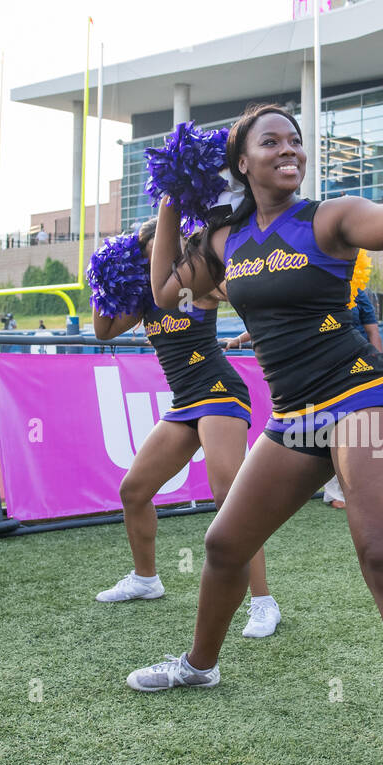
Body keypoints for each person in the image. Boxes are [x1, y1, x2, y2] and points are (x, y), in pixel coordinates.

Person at [130, 103, 383, 765]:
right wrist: (168, 204)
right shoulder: (224, 239)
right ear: (242, 161)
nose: (289, 149)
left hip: (362, 398)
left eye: (296, 141)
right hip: (296, 418)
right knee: (223, 545)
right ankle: (199, 665)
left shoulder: (332, 217)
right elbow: (162, 292)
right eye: (270, 140)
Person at [93, 219, 280, 638]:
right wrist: (102, 279)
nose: (163, 259)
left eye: (169, 248)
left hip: (219, 392)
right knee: (133, 490)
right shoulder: (146, 299)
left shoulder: (200, 281)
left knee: (229, 497)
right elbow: (103, 332)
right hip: (184, 404)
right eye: (153, 253)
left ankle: (263, 602)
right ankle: (146, 579)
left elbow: (249, 298)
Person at [322, 286, 383, 510]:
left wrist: (379, 362)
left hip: (359, 362)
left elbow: (373, 331)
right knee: (333, 424)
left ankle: (364, 485)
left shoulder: (359, 291)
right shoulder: (315, 284)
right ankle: (334, 491)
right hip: (326, 364)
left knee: (366, 425)